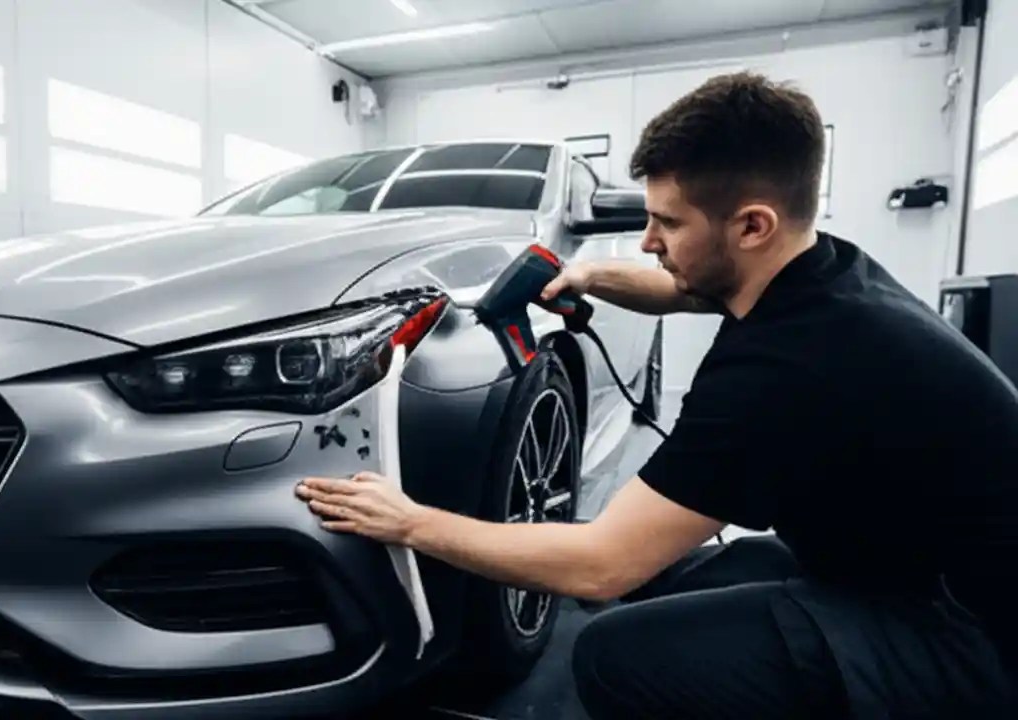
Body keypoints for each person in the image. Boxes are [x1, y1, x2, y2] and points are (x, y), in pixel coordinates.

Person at [294, 71, 1018, 719]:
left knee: (614, 653)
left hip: (972, 641)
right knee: (675, 585)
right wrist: (587, 277)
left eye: (667, 222)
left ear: (753, 225)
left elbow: (600, 564)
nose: (646, 242)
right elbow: (687, 291)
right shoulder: (823, 273)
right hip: (919, 568)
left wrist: (411, 523)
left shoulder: (782, 370)